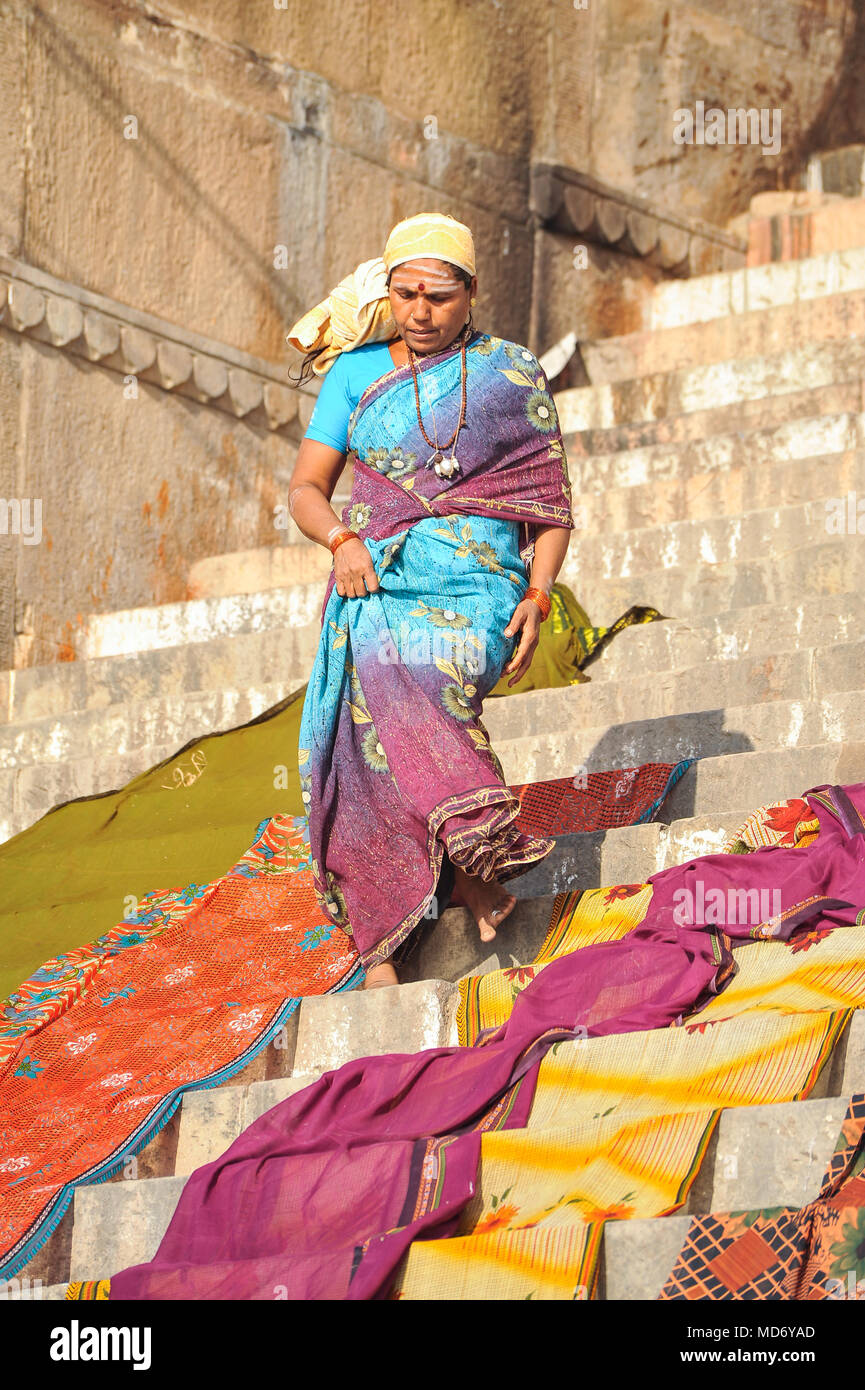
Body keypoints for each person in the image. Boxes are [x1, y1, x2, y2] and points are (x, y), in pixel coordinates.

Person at [286, 212, 575, 988]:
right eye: (405, 294)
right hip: (378, 574)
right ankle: (389, 934)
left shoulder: (510, 372)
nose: (421, 311)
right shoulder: (354, 374)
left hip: (482, 581)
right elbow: (307, 490)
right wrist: (343, 543)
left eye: (439, 296)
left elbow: (546, 506)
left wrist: (540, 595)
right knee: (365, 707)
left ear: (471, 293)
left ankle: (474, 860)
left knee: (425, 679)